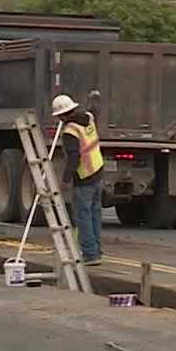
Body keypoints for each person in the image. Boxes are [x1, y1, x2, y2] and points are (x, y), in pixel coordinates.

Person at [52, 91, 104, 266]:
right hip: (98, 171)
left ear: (61, 115)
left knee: (83, 217)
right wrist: (94, 98)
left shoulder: (70, 131)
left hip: (84, 177)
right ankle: (96, 251)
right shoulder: (88, 118)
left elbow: (74, 158)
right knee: (95, 215)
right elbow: (93, 110)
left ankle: (90, 254)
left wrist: (65, 180)